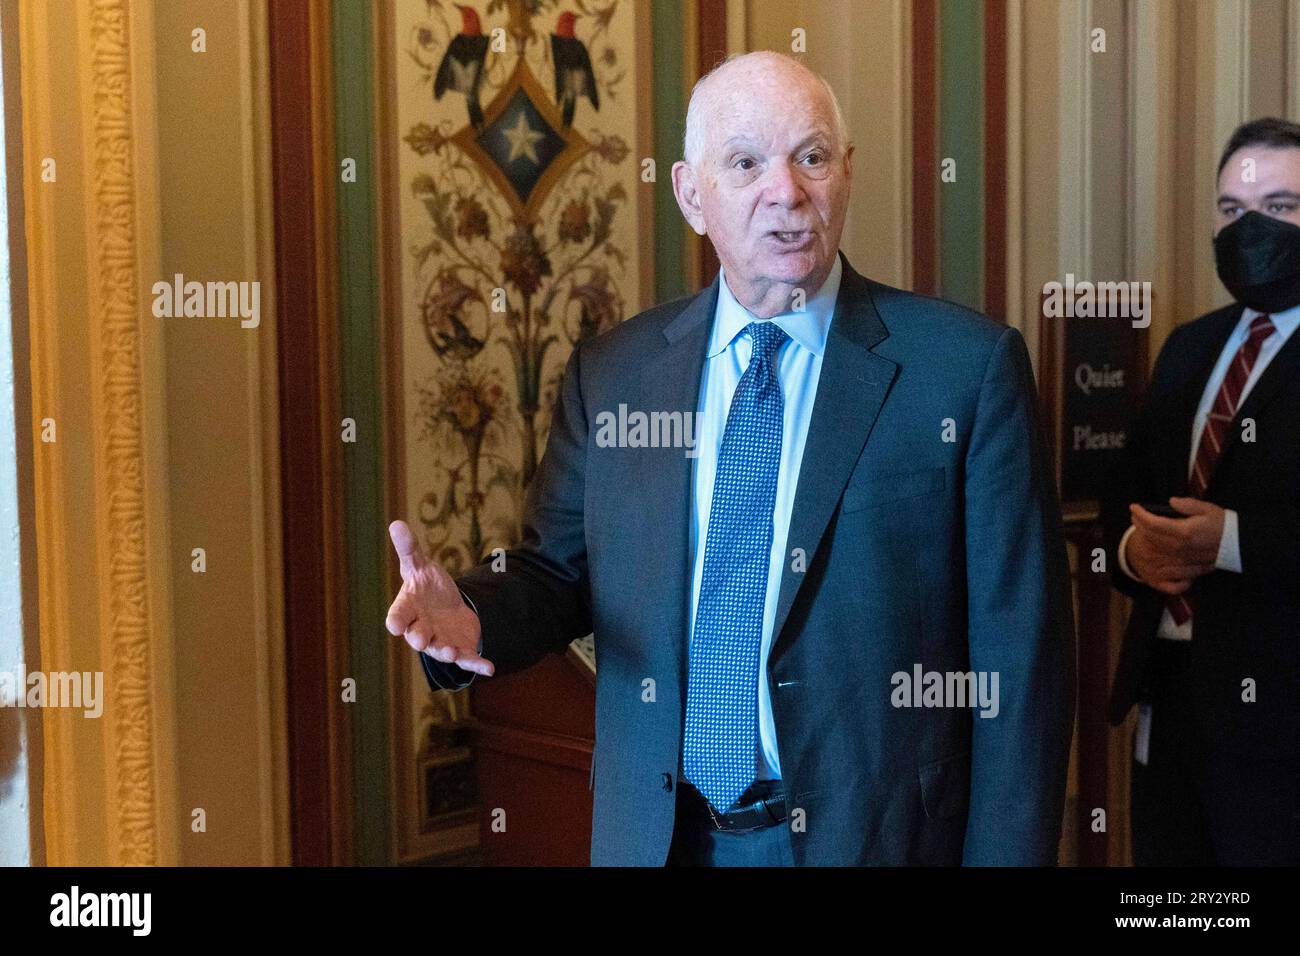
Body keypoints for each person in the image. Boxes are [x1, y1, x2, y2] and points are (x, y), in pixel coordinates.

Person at [387, 51, 1075, 866]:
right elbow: (556, 574)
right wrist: (469, 613)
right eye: (745, 163)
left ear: (846, 175)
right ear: (690, 194)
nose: (785, 191)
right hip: (662, 840)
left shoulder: (963, 370)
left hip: (875, 840)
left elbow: (1022, 667)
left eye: (811, 156)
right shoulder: (615, 375)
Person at [1103, 117, 1300, 866]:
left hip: (1281, 724)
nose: (1250, 228)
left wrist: (1233, 543)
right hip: (1171, 704)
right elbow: (1129, 494)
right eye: (1231, 210)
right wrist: (1132, 551)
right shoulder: (1191, 344)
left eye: (1279, 208)